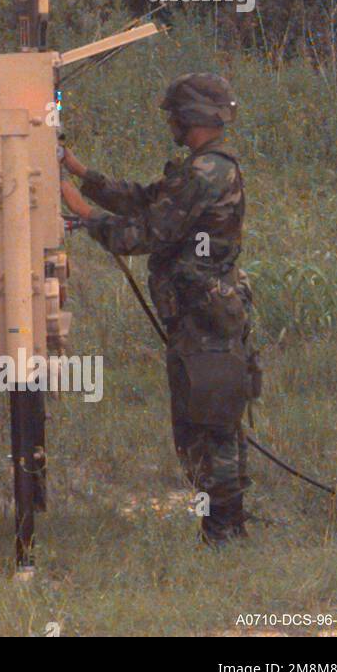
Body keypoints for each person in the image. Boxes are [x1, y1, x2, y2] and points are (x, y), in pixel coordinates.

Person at [59, 73, 257, 544]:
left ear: (191, 117)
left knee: (210, 427)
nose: (169, 121)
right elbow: (148, 201)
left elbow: (142, 234)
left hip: (204, 318)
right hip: (199, 316)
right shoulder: (203, 169)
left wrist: (80, 210)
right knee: (206, 423)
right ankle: (225, 527)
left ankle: (224, 533)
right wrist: (82, 174)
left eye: (174, 114)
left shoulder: (206, 173)